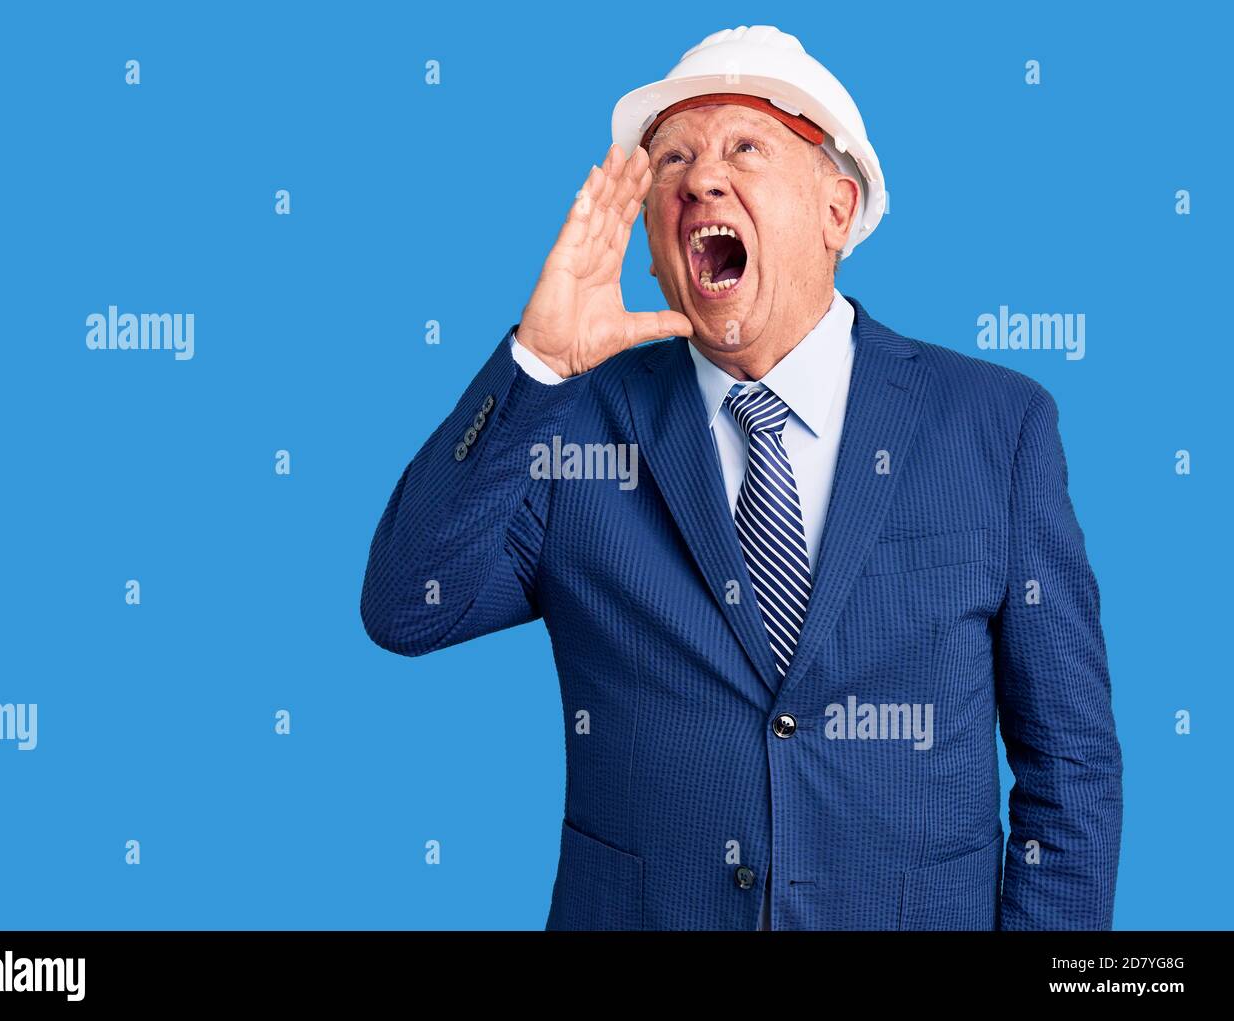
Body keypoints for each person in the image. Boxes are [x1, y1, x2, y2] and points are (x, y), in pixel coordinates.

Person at [361, 25, 1122, 930]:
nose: (698, 179)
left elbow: (1069, 760)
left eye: (743, 149)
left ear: (837, 211)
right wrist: (535, 367)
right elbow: (408, 607)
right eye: (670, 161)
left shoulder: (997, 425)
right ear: (648, 242)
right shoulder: (575, 423)